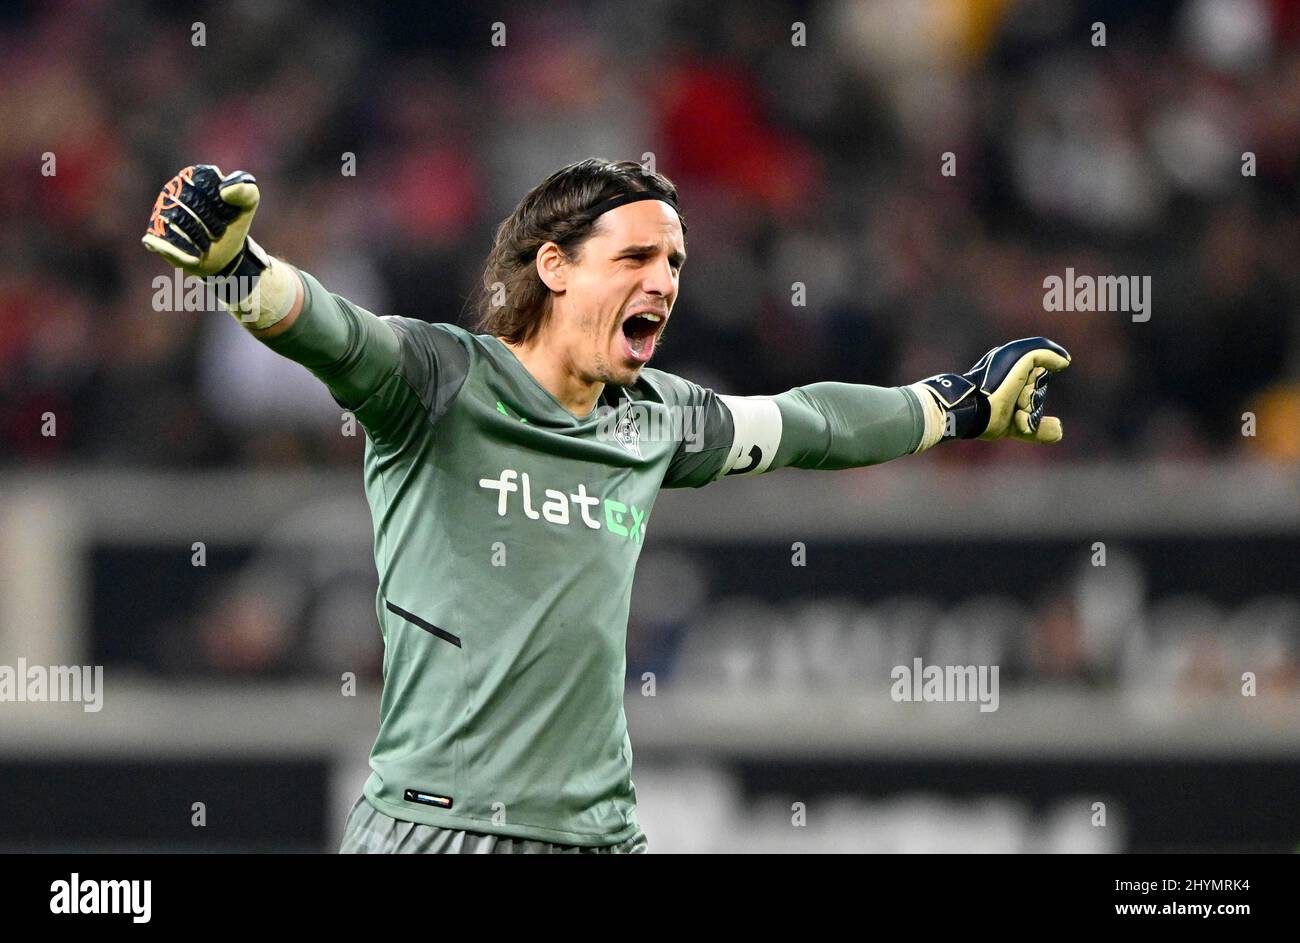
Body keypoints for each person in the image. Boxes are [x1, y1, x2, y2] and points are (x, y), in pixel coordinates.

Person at [142, 158, 1071, 853]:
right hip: (441, 829)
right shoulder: (441, 380)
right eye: (635, 255)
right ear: (554, 266)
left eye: (672, 259)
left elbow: (808, 421)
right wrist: (238, 269)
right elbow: (333, 332)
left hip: (599, 837)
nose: (664, 279)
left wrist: (956, 406)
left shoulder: (656, 418)